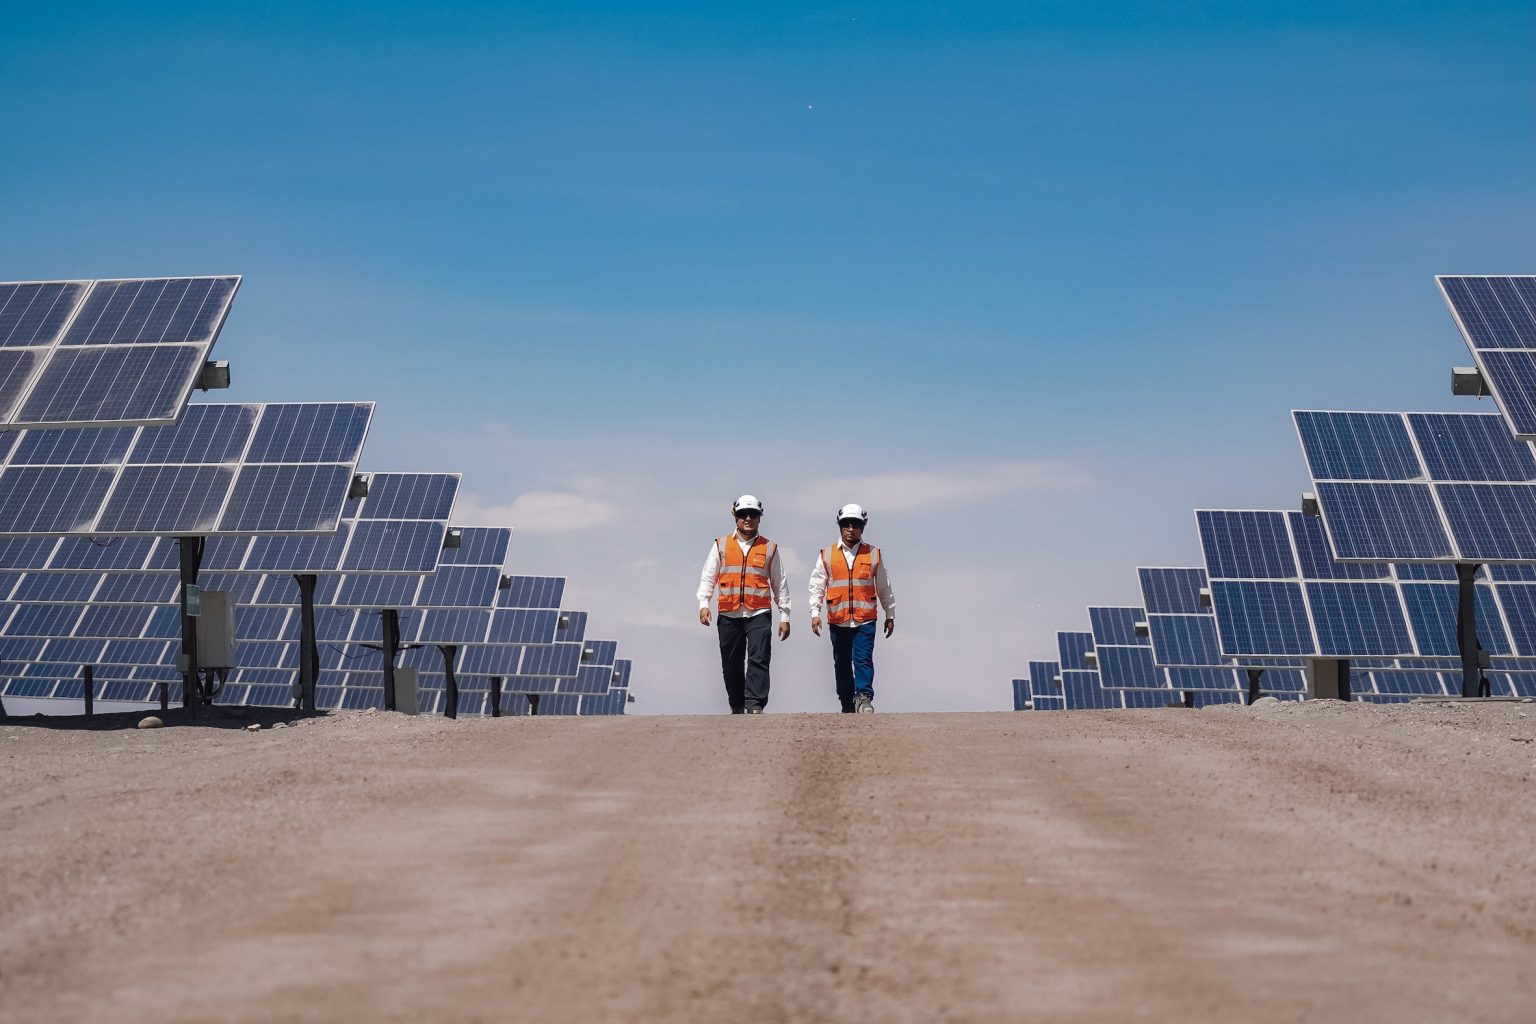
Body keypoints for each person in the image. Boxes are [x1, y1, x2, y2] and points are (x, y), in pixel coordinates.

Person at [697, 495, 790, 714]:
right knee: (731, 663)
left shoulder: (770, 548)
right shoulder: (721, 545)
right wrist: (704, 603)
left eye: (753, 514)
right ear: (735, 517)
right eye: (743, 514)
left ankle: (755, 704)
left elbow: (780, 583)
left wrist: (785, 615)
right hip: (729, 613)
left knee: (759, 659)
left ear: (760, 517)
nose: (748, 518)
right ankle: (737, 704)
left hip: (759, 612)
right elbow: (708, 576)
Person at [809, 503, 895, 713]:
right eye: (846, 524)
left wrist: (890, 613)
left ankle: (864, 697)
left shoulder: (873, 554)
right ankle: (847, 702)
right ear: (839, 525)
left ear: (862, 527)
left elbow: (884, 586)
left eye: (855, 524)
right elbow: (817, 585)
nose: (850, 528)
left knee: (863, 659)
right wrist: (815, 612)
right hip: (838, 619)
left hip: (865, 619)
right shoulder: (827, 554)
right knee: (842, 663)